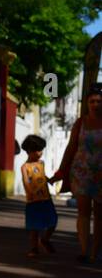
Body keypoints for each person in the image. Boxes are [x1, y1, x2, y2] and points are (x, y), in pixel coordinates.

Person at [51, 82, 102, 263]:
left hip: (101, 175)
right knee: (83, 212)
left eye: (99, 101)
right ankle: (83, 250)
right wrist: (62, 169)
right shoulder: (80, 123)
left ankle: (95, 252)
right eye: (92, 101)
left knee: (100, 215)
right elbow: (71, 147)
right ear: (87, 103)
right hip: (81, 173)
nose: (96, 104)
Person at [20, 135, 57, 257]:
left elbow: (41, 176)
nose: (41, 153)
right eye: (38, 150)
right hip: (33, 201)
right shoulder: (25, 167)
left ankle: (45, 239)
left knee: (53, 221)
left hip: (46, 198)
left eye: (42, 150)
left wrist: (50, 180)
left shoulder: (41, 163)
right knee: (34, 227)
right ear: (29, 151)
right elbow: (26, 181)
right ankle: (34, 248)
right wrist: (29, 191)